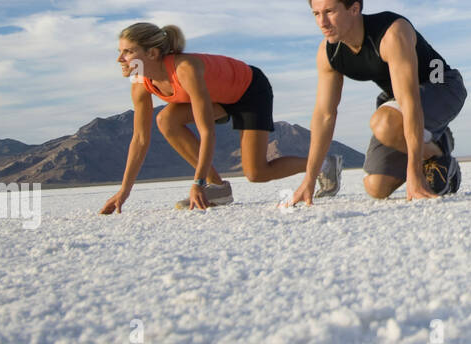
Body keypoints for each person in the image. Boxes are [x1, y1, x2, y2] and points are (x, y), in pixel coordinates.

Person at [101, 22, 336, 213]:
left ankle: (324, 164)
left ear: (151, 53)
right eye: (120, 52)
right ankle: (219, 188)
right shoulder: (141, 82)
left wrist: (197, 183)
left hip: (250, 90)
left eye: (128, 52)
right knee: (165, 120)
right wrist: (124, 191)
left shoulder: (185, 69)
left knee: (257, 173)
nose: (119, 59)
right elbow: (140, 139)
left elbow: (207, 132)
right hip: (219, 97)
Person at [288, 0, 466, 205]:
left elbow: (410, 101)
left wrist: (415, 175)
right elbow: (324, 115)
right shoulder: (328, 52)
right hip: (396, 102)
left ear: (354, 9)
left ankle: (434, 152)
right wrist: (309, 180)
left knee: (384, 122)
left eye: (330, 12)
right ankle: (441, 153)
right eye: (316, 14)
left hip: (442, 87)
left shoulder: (391, 32)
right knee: (376, 187)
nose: (322, 22)